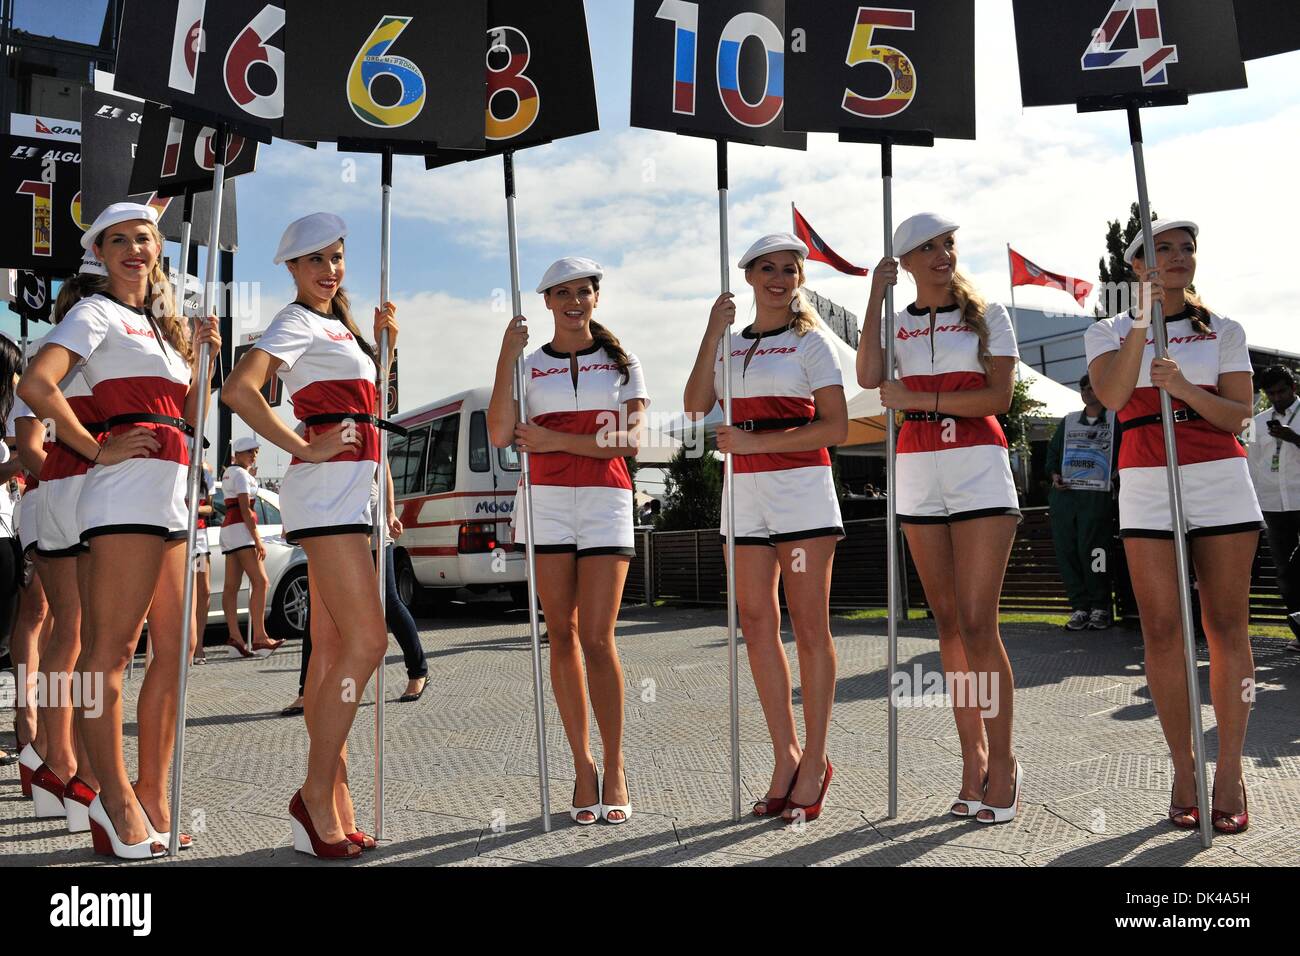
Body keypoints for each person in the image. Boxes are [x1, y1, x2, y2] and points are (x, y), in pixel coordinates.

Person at [19, 202, 221, 858]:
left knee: (177, 650)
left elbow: (188, 414)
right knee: (108, 654)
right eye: (120, 241)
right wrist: (94, 445)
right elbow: (37, 384)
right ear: (101, 255)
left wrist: (208, 361)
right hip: (123, 498)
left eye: (145, 238)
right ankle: (112, 800)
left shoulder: (162, 328)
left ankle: (152, 793)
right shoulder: (95, 311)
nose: (136, 249)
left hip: (173, 497)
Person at [222, 212, 397, 859]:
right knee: (370, 641)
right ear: (292, 269)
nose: (329, 269)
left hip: (350, 497)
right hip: (325, 496)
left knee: (329, 653)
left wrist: (385, 348)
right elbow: (240, 390)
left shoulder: (335, 328)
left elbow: (367, 412)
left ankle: (331, 795)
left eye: (337, 257)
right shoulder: (295, 321)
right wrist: (304, 444)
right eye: (315, 259)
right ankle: (315, 791)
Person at [1086, 219, 1259, 834]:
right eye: (1163, 249)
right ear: (1138, 266)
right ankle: (1184, 768)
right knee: (1161, 629)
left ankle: (1230, 769)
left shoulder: (1225, 330)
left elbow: (1240, 416)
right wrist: (1141, 321)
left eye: (1187, 248)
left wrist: (1183, 386)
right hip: (1146, 481)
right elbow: (1108, 395)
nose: (1179, 257)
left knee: (1226, 627)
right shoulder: (1107, 329)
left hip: (1218, 478)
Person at [856, 213, 1023, 825]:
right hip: (919, 475)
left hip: (978, 466)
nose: (941, 255)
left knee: (979, 624)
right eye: (926, 248)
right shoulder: (896, 323)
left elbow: (997, 399)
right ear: (905, 261)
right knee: (948, 626)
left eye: (947, 244)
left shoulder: (989, 316)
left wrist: (920, 399)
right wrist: (876, 293)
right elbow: (871, 377)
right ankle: (970, 758)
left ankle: (1003, 762)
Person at [683, 233, 848, 824]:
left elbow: (835, 428)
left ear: (799, 278)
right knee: (755, 622)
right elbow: (697, 404)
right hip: (744, 496)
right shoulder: (728, 344)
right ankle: (785, 755)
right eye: (767, 268)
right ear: (749, 276)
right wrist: (711, 330)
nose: (779, 278)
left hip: (802, 493)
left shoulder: (813, 344)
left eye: (789, 269)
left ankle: (818, 758)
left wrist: (757, 440)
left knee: (809, 627)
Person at [488, 257, 647, 825]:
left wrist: (554, 437)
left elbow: (628, 442)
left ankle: (616, 762)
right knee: (562, 634)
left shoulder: (624, 364)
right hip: (546, 506)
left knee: (600, 638)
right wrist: (508, 354)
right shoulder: (528, 367)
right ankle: (582, 766)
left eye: (584, 292)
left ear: (596, 298)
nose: (575, 301)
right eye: (563, 294)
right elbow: (504, 433)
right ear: (548, 302)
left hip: (606, 503)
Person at [22, 253, 109, 826]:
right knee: (95, 640)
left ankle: (56, 760)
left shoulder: (41, 350)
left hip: (47, 494)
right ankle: (85, 774)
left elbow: (29, 443)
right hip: (86, 490)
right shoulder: (104, 342)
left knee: (65, 635)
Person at [1047, 373, 1118, 631]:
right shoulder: (1068, 422)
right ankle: (1079, 608)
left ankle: (1100, 607)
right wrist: (1055, 476)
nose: (1087, 391)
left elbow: (1122, 457)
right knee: (1068, 554)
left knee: (1096, 554)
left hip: (1096, 501)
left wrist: (1115, 474)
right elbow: (1052, 457)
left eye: (1092, 387)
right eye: (1083, 388)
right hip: (1065, 501)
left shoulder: (1114, 420)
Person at [1246, 365, 1300, 651]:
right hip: (1273, 506)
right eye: (1271, 393)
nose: (1277, 397)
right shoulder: (1256, 422)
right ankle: (1299, 632)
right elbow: (1250, 466)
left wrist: (1295, 439)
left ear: (1294, 386)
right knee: (1285, 572)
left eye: (1282, 391)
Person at [219, 435, 281, 656]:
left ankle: (235, 638)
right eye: (249, 452)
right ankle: (260, 637)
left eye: (255, 452)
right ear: (238, 454)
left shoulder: (229, 473)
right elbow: (246, 510)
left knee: (231, 586)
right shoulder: (241, 475)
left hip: (228, 530)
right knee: (261, 582)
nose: (254, 455)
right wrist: (257, 540)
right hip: (241, 530)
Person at [191, 460, 215, 664]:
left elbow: (210, 508)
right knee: (185, 594)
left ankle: (198, 644)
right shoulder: (177, 470)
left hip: (200, 540)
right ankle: (187, 644)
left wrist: (193, 509)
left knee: (203, 591)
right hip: (178, 538)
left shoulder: (205, 476)